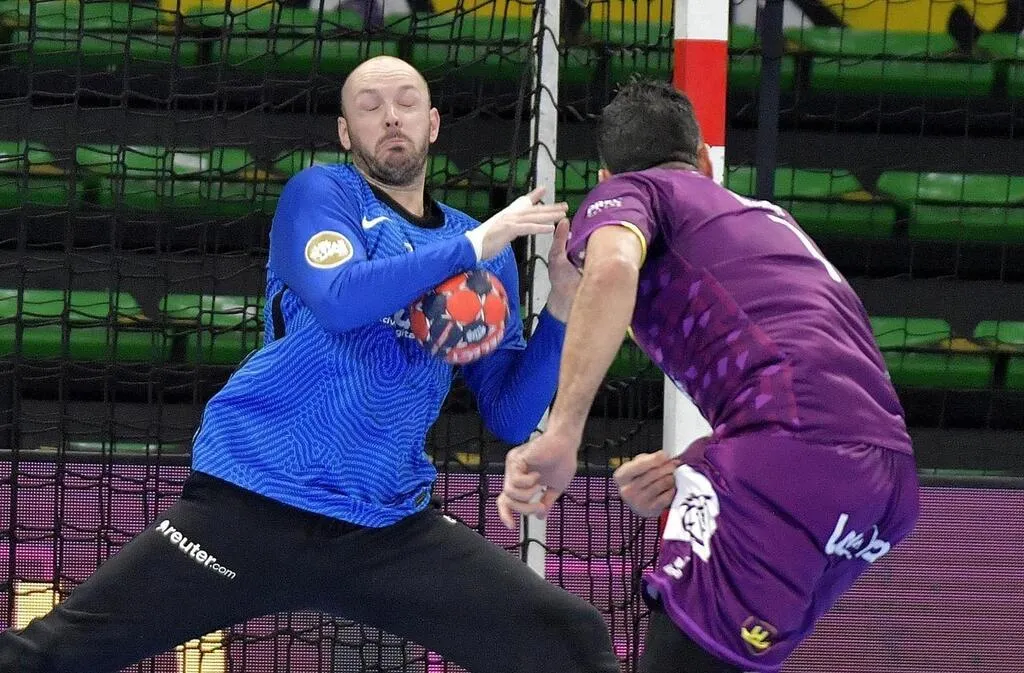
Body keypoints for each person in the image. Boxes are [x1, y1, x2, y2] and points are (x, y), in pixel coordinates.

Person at [0, 56, 620, 673]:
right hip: (251, 503)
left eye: (406, 102)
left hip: (385, 528)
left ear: (432, 123)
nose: (390, 118)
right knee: (51, 654)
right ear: (347, 134)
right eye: (369, 108)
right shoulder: (323, 195)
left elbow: (511, 415)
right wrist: (479, 241)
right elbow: (341, 298)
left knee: (568, 639)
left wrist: (564, 302)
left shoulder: (485, 257)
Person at [497, 80, 920, 673]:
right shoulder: (771, 220)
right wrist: (701, 462)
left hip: (789, 454)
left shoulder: (631, 193)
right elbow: (817, 365)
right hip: (890, 488)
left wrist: (563, 432)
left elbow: (615, 267)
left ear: (602, 177)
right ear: (704, 159)